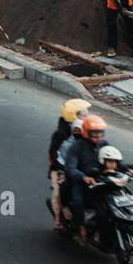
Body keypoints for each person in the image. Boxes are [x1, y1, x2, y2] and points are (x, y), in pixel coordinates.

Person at [64, 115, 112, 244]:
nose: (98, 136)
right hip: (81, 182)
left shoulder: (104, 144)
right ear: (86, 132)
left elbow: (113, 160)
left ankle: (102, 231)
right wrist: (83, 177)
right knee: (78, 201)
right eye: (95, 133)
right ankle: (81, 227)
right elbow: (70, 168)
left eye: (100, 133)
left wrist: (128, 170)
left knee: (106, 206)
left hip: (99, 181)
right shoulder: (76, 147)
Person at [49, 98, 90, 230]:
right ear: (74, 115)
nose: (87, 114)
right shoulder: (61, 134)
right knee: (58, 193)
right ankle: (58, 220)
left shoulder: (84, 128)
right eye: (83, 113)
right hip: (60, 167)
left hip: (79, 165)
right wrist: (60, 169)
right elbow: (53, 153)